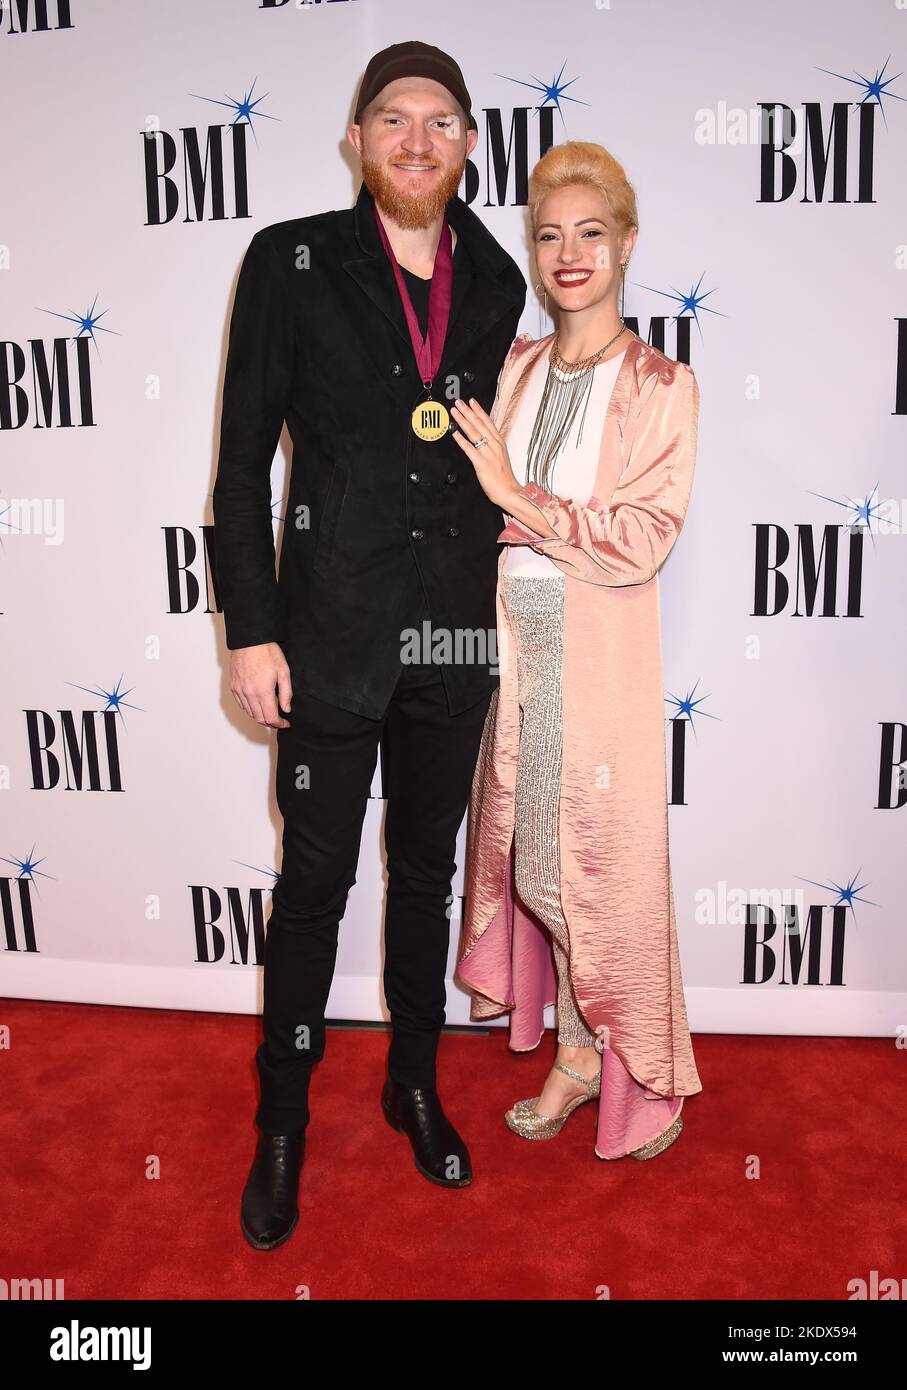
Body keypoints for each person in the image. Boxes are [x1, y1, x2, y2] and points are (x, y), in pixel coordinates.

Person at [212, 40, 526, 1250]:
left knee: (426, 880)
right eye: (391, 118)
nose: (415, 139)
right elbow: (242, 466)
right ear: (356, 139)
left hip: (452, 633)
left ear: (465, 143)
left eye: (439, 120)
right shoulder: (288, 262)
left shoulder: (498, 276)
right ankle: (280, 1120)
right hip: (328, 637)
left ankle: (412, 1082)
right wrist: (252, 632)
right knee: (311, 889)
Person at [454, 140, 703, 1161]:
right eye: (549, 235)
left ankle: (626, 1064)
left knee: (594, 876)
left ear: (626, 243)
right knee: (530, 866)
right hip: (512, 661)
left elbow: (643, 538)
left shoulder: (660, 384)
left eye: (589, 233)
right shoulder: (511, 364)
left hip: (592, 665)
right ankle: (578, 1048)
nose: (567, 254)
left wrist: (520, 501)